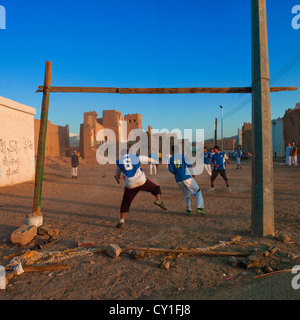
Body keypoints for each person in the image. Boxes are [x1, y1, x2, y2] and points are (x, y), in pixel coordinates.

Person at [114, 150, 167, 228]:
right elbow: (147, 159)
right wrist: (155, 161)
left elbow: (117, 175)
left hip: (130, 185)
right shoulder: (135, 157)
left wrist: (118, 181)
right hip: (142, 181)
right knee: (156, 188)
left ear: (121, 155)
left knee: (125, 202)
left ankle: (121, 221)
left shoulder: (119, 162)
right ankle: (158, 200)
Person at [168, 145, 205, 216]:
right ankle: (199, 208)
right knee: (198, 191)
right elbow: (189, 165)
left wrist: (176, 173)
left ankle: (188, 209)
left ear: (172, 151)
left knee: (186, 194)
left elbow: (170, 169)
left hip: (178, 179)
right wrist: (192, 173)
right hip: (186, 177)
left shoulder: (171, 159)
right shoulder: (183, 156)